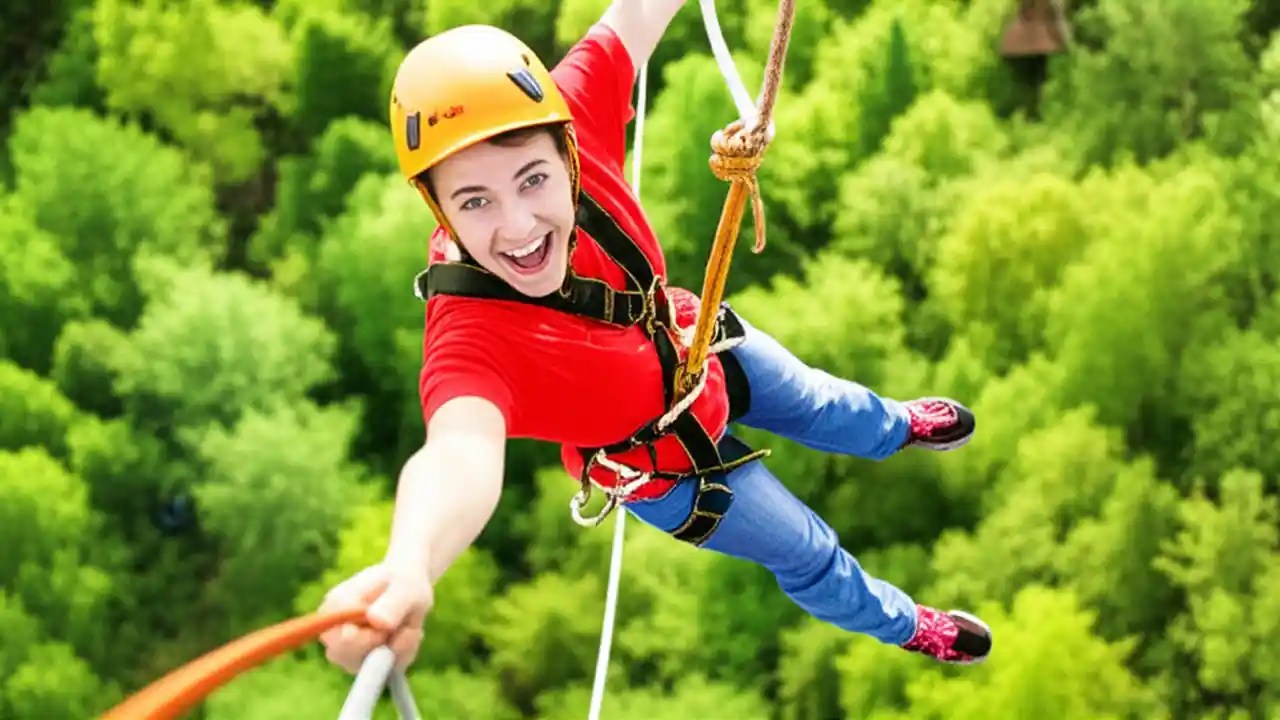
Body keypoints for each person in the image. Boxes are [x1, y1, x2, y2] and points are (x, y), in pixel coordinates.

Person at [317, 0, 994, 677]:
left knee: (827, 406)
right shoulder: (469, 335)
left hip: (700, 347)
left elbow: (639, 10)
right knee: (806, 550)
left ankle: (894, 429)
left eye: (533, 180)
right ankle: (904, 623)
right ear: (438, 207)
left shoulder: (577, 108)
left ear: (566, 149)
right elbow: (459, 455)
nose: (519, 226)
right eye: (475, 202)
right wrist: (410, 563)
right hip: (661, 467)